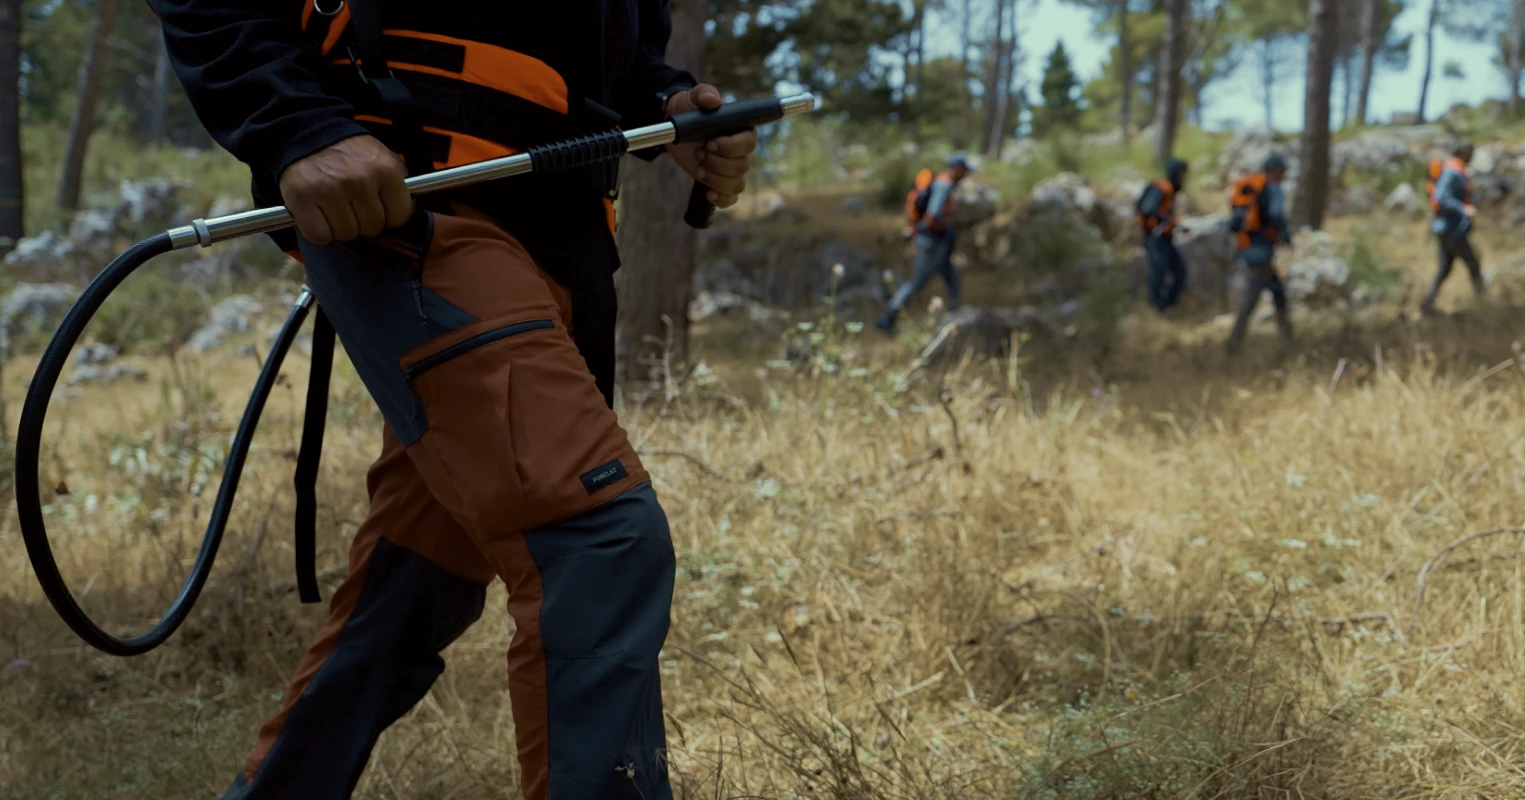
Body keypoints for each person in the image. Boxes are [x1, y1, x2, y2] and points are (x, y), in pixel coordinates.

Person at [150, 1, 759, 798]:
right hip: (410, 199)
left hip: (569, 240)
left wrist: (668, 103)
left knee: (416, 583)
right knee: (600, 544)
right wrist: (295, 123)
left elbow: (615, 42)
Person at [878, 154, 972, 333]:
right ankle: (888, 317)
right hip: (932, 241)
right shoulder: (944, 185)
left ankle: (955, 315)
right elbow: (934, 213)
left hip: (937, 240)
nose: (966, 174)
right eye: (964, 170)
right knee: (917, 282)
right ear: (956, 168)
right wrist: (947, 228)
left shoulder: (942, 183)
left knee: (952, 277)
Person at [1224, 154, 1295, 356]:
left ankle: (1288, 338)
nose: (1284, 175)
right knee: (1251, 298)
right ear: (1277, 170)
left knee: (1277, 292)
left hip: (1246, 247)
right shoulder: (1273, 188)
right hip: (1261, 252)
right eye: (1283, 171)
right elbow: (1276, 213)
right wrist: (1285, 235)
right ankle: (1233, 343)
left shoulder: (1252, 187)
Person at [1420, 140, 1486, 316]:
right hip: (1452, 230)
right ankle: (1485, 304)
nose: (1473, 155)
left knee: (1444, 269)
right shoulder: (1452, 171)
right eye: (1470, 151)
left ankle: (1427, 304)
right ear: (1462, 152)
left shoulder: (1456, 169)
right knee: (1473, 264)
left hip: (1446, 228)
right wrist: (1463, 208)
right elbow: (1441, 196)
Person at [1136, 159, 1190, 312]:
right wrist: (1167, 220)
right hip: (1155, 238)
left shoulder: (1170, 191)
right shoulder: (1162, 188)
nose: (1183, 179)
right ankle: (1155, 307)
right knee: (1158, 271)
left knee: (1180, 271)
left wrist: (1175, 225)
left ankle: (1168, 305)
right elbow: (1148, 209)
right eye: (1182, 175)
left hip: (1165, 238)